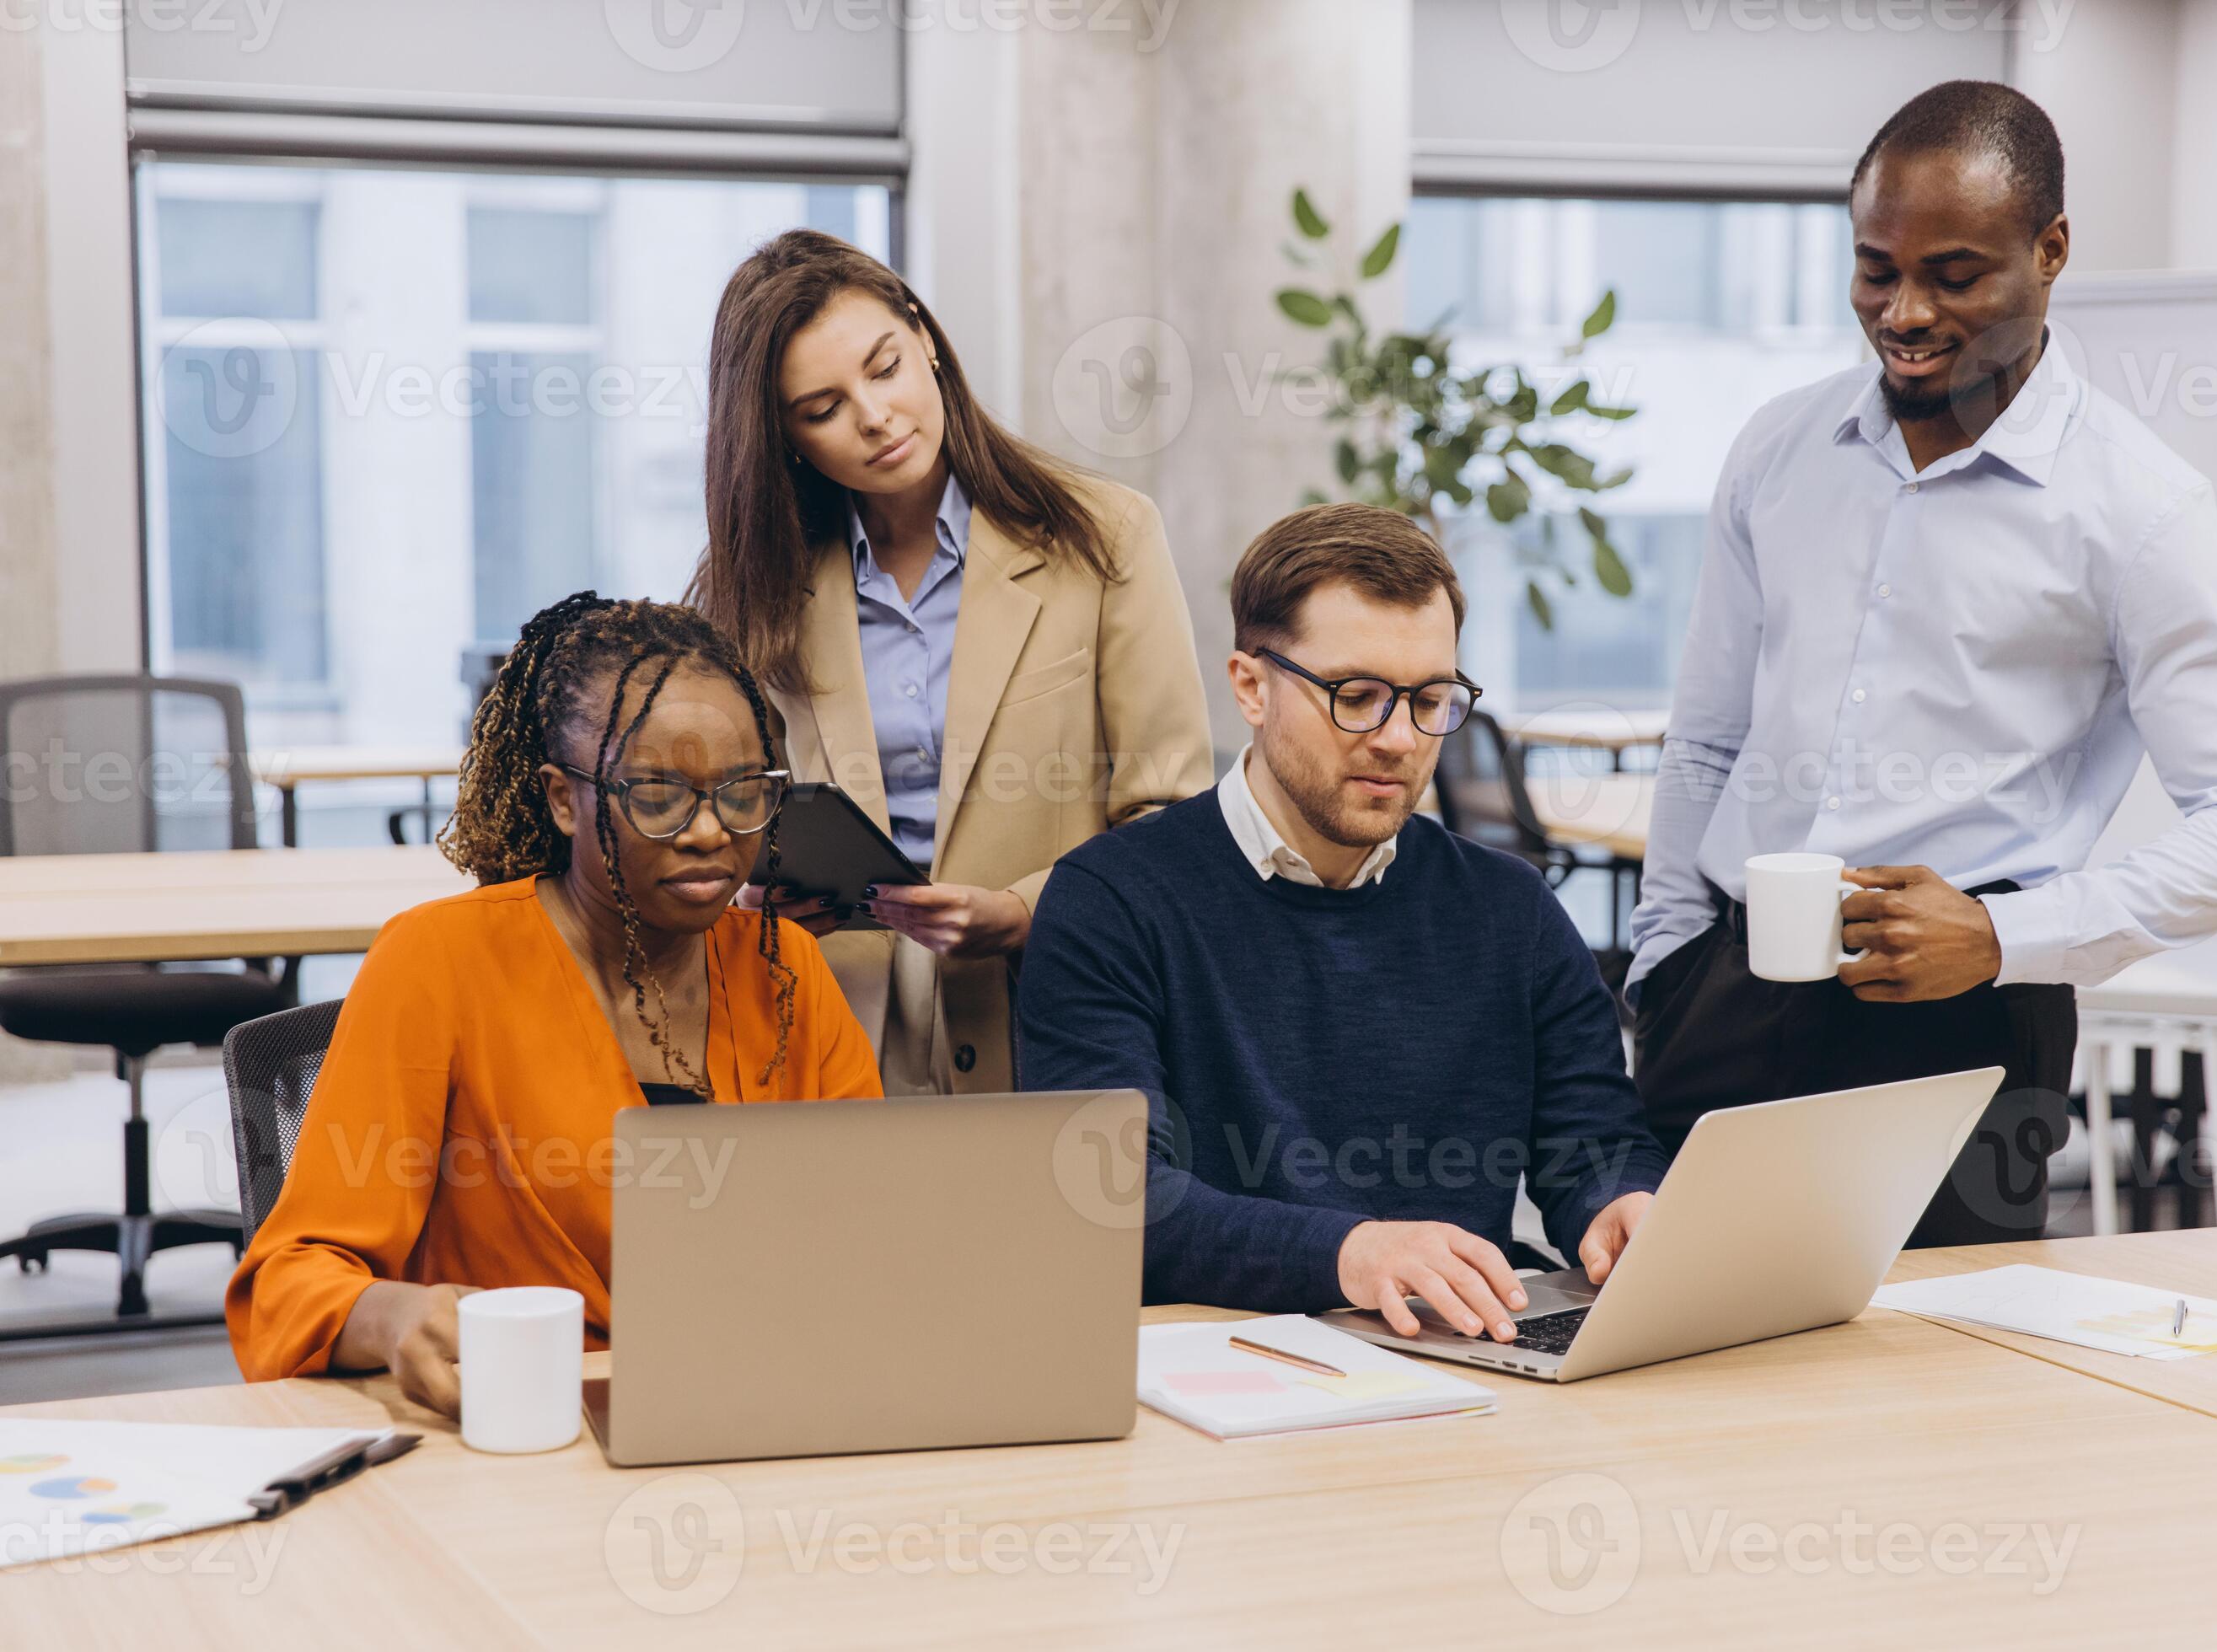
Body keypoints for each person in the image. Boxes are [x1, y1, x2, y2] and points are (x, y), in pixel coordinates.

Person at [1625, 81, 2217, 1245]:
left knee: (1936, 1354)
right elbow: (1707, 736)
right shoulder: (1778, 448)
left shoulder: (2136, 507)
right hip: (1724, 990)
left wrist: (2009, 938)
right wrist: (1664, 959)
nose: (1902, 312)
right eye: (1874, 270)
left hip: (1961, 1021)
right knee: (1667, 1327)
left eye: (1952, 275)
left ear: (2048, 251)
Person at [1018, 504, 1666, 1344]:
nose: (1398, 739)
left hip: (1465, 1347)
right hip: (1225, 1359)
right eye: (1355, 697)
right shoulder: (1110, 901)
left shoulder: (1510, 906)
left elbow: (1594, 1142)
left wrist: (1619, 1203)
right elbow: (1111, 1196)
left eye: (1430, 699)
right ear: (1250, 687)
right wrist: (1347, 1253)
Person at [226, 594, 883, 1416]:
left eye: (744, 791)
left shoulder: (785, 968)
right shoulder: (437, 962)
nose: (711, 831)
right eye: (658, 796)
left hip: (756, 1407)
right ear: (564, 799)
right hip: (521, 1420)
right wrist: (391, 1316)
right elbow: (290, 1280)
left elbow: (872, 1231)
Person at [692, 231, 1214, 1097]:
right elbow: (733, 819)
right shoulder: (761, 586)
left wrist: (1023, 913)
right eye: (821, 409)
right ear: (782, 436)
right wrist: (754, 899)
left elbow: (1170, 820)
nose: (874, 416)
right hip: (836, 1031)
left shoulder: (1104, 537)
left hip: (1052, 1017)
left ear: (924, 337)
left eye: (885, 367)